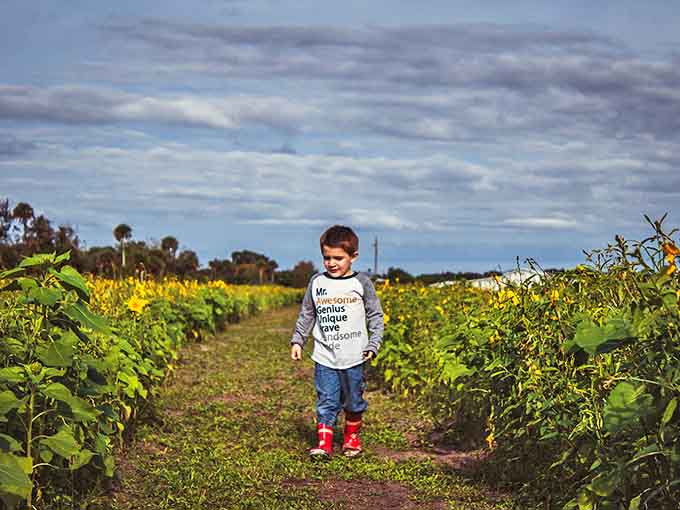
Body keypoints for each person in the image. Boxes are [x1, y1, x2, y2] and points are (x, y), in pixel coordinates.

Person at [290, 225, 384, 458]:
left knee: (353, 399)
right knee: (327, 399)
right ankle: (324, 443)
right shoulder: (317, 282)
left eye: (338, 258)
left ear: (353, 257)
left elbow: (375, 315)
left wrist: (374, 344)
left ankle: (351, 439)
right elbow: (307, 313)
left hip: (355, 355)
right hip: (325, 356)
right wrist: (298, 340)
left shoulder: (361, 283)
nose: (331, 263)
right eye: (326, 258)